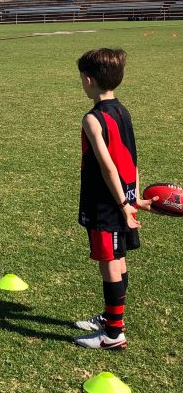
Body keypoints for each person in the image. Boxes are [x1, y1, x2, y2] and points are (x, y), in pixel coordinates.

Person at [73, 48, 155, 350]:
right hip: (124, 195)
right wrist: (134, 196)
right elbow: (132, 156)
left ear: (90, 80)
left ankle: (114, 333)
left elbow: (108, 166)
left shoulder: (93, 119)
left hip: (106, 202)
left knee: (109, 260)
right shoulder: (123, 110)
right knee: (118, 258)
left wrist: (122, 204)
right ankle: (111, 318)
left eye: (82, 77)